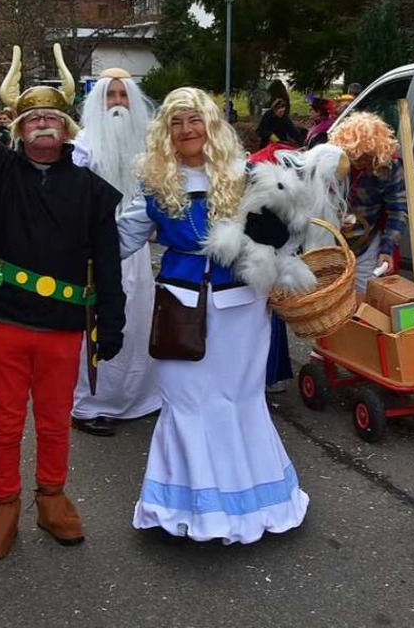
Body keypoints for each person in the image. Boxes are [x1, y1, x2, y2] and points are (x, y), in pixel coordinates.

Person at [0, 25, 125, 560]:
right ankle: (3, 503)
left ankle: (51, 497)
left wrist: (111, 322)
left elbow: (107, 261)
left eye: (51, 118)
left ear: (67, 129)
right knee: (5, 419)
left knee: (53, 418)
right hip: (4, 318)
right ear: (19, 130)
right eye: (32, 119)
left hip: (64, 326)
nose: (43, 125)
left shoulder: (93, 191)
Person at [118, 86, 309, 544]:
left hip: (241, 307)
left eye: (195, 120)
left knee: (237, 398)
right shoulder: (153, 183)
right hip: (180, 305)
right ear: (166, 131)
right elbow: (120, 240)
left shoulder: (247, 175)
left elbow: (288, 232)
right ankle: (185, 508)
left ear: (211, 125)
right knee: (184, 402)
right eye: (177, 122)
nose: (187, 130)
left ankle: (250, 506)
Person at [69, 68, 160, 437]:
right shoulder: (83, 146)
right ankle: (90, 404)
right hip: (95, 252)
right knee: (97, 324)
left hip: (136, 252)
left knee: (138, 322)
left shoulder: (148, 147)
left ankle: (141, 397)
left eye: (124, 95)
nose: (118, 102)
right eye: (111, 95)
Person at [332, 112, 406, 294]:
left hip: (366, 244)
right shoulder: (331, 163)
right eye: (356, 157)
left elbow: (397, 211)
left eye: (368, 157)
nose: (361, 163)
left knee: (364, 298)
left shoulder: (390, 167)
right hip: (330, 245)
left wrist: (387, 249)